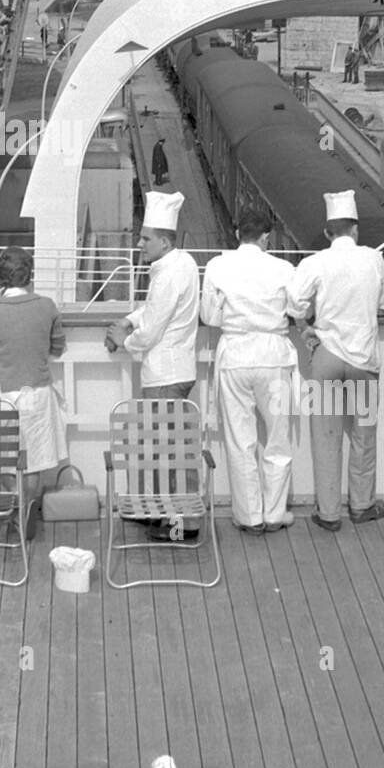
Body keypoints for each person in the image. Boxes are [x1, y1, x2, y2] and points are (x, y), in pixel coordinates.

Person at [287, 190, 384, 533]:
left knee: (326, 434)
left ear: (328, 232)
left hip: (327, 355)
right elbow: (383, 306)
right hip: (364, 360)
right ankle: (362, 506)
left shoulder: (315, 262)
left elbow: (295, 306)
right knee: (363, 434)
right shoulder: (374, 259)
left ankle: (329, 513)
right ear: (356, 230)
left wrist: (307, 328)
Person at [105, 192, 201, 541]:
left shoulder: (165, 274)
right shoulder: (182, 263)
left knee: (170, 454)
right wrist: (130, 320)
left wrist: (121, 337)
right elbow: (152, 310)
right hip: (177, 370)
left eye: (145, 238)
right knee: (170, 449)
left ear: (163, 240)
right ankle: (160, 513)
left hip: (164, 374)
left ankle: (181, 526)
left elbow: (152, 330)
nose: (139, 243)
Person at [200, 205, 300, 535]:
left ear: (237, 233)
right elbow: (297, 309)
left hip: (235, 357)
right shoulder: (284, 268)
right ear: (266, 236)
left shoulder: (217, 266)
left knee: (240, 441)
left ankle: (249, 517)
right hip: (273, 357)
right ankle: (274, 514)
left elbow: (210, 317)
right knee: (277, 440)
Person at [0, 245, 67, 529]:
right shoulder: (47, 306)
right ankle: (27, 509)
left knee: (4, 459)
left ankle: (15, 505)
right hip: (37, 389)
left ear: (0, 277)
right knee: (35, 459)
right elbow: (58, 348)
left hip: (4, 392)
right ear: (30, 274)